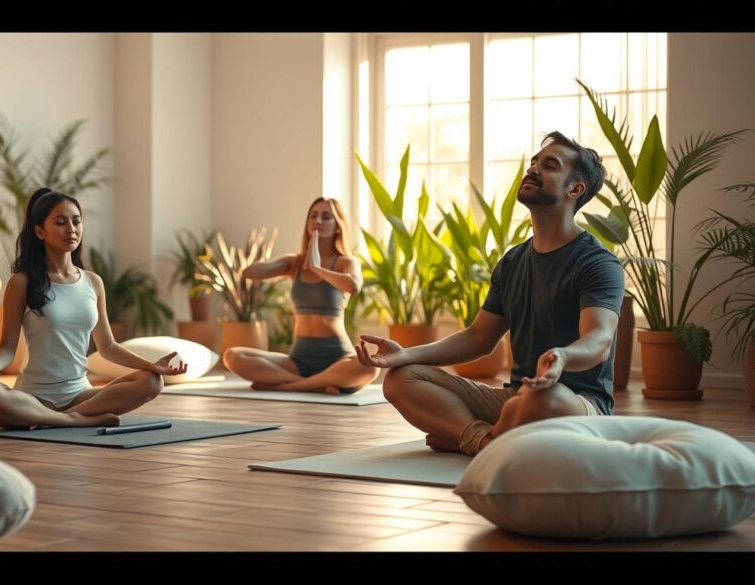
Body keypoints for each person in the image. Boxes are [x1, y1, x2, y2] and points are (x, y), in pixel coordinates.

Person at [357, 131, 623, 456]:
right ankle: (483, 441)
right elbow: (478, 338)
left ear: (575, 189)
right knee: (401, 379)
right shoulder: (512, 261)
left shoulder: (597, 262)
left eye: (549, 165)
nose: (533, 169)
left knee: (539, 399)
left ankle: (473, 437)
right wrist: (406, 354)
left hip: (574, 404)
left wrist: (563, 356)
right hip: (516, 399)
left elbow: (599, 338)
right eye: (534, 162)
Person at [0, 188, 187, 429]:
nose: (71, 228)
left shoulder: (92, 282)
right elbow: (7, 347)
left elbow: (108, 347)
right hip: (32, 398)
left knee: (152, 382)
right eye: (60, 222)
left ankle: (64, 418)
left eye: (76, 221)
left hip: (81, 395)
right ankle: (67, 420)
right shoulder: (22, 282)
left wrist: (151, 366)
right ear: (39, 231)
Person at [223, 197, 378, 394]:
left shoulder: (345, 263)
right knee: (232, 356)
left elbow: (354, 285)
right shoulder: (295, 263)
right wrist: (298, 261)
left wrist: (317, 268)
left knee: (369, 367)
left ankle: (292, 386)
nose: (318, 221)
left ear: (338, 226)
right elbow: (249, 273)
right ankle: (315, 384)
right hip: (298, 360)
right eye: (313, 216)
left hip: (338, 357)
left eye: (326, 216)